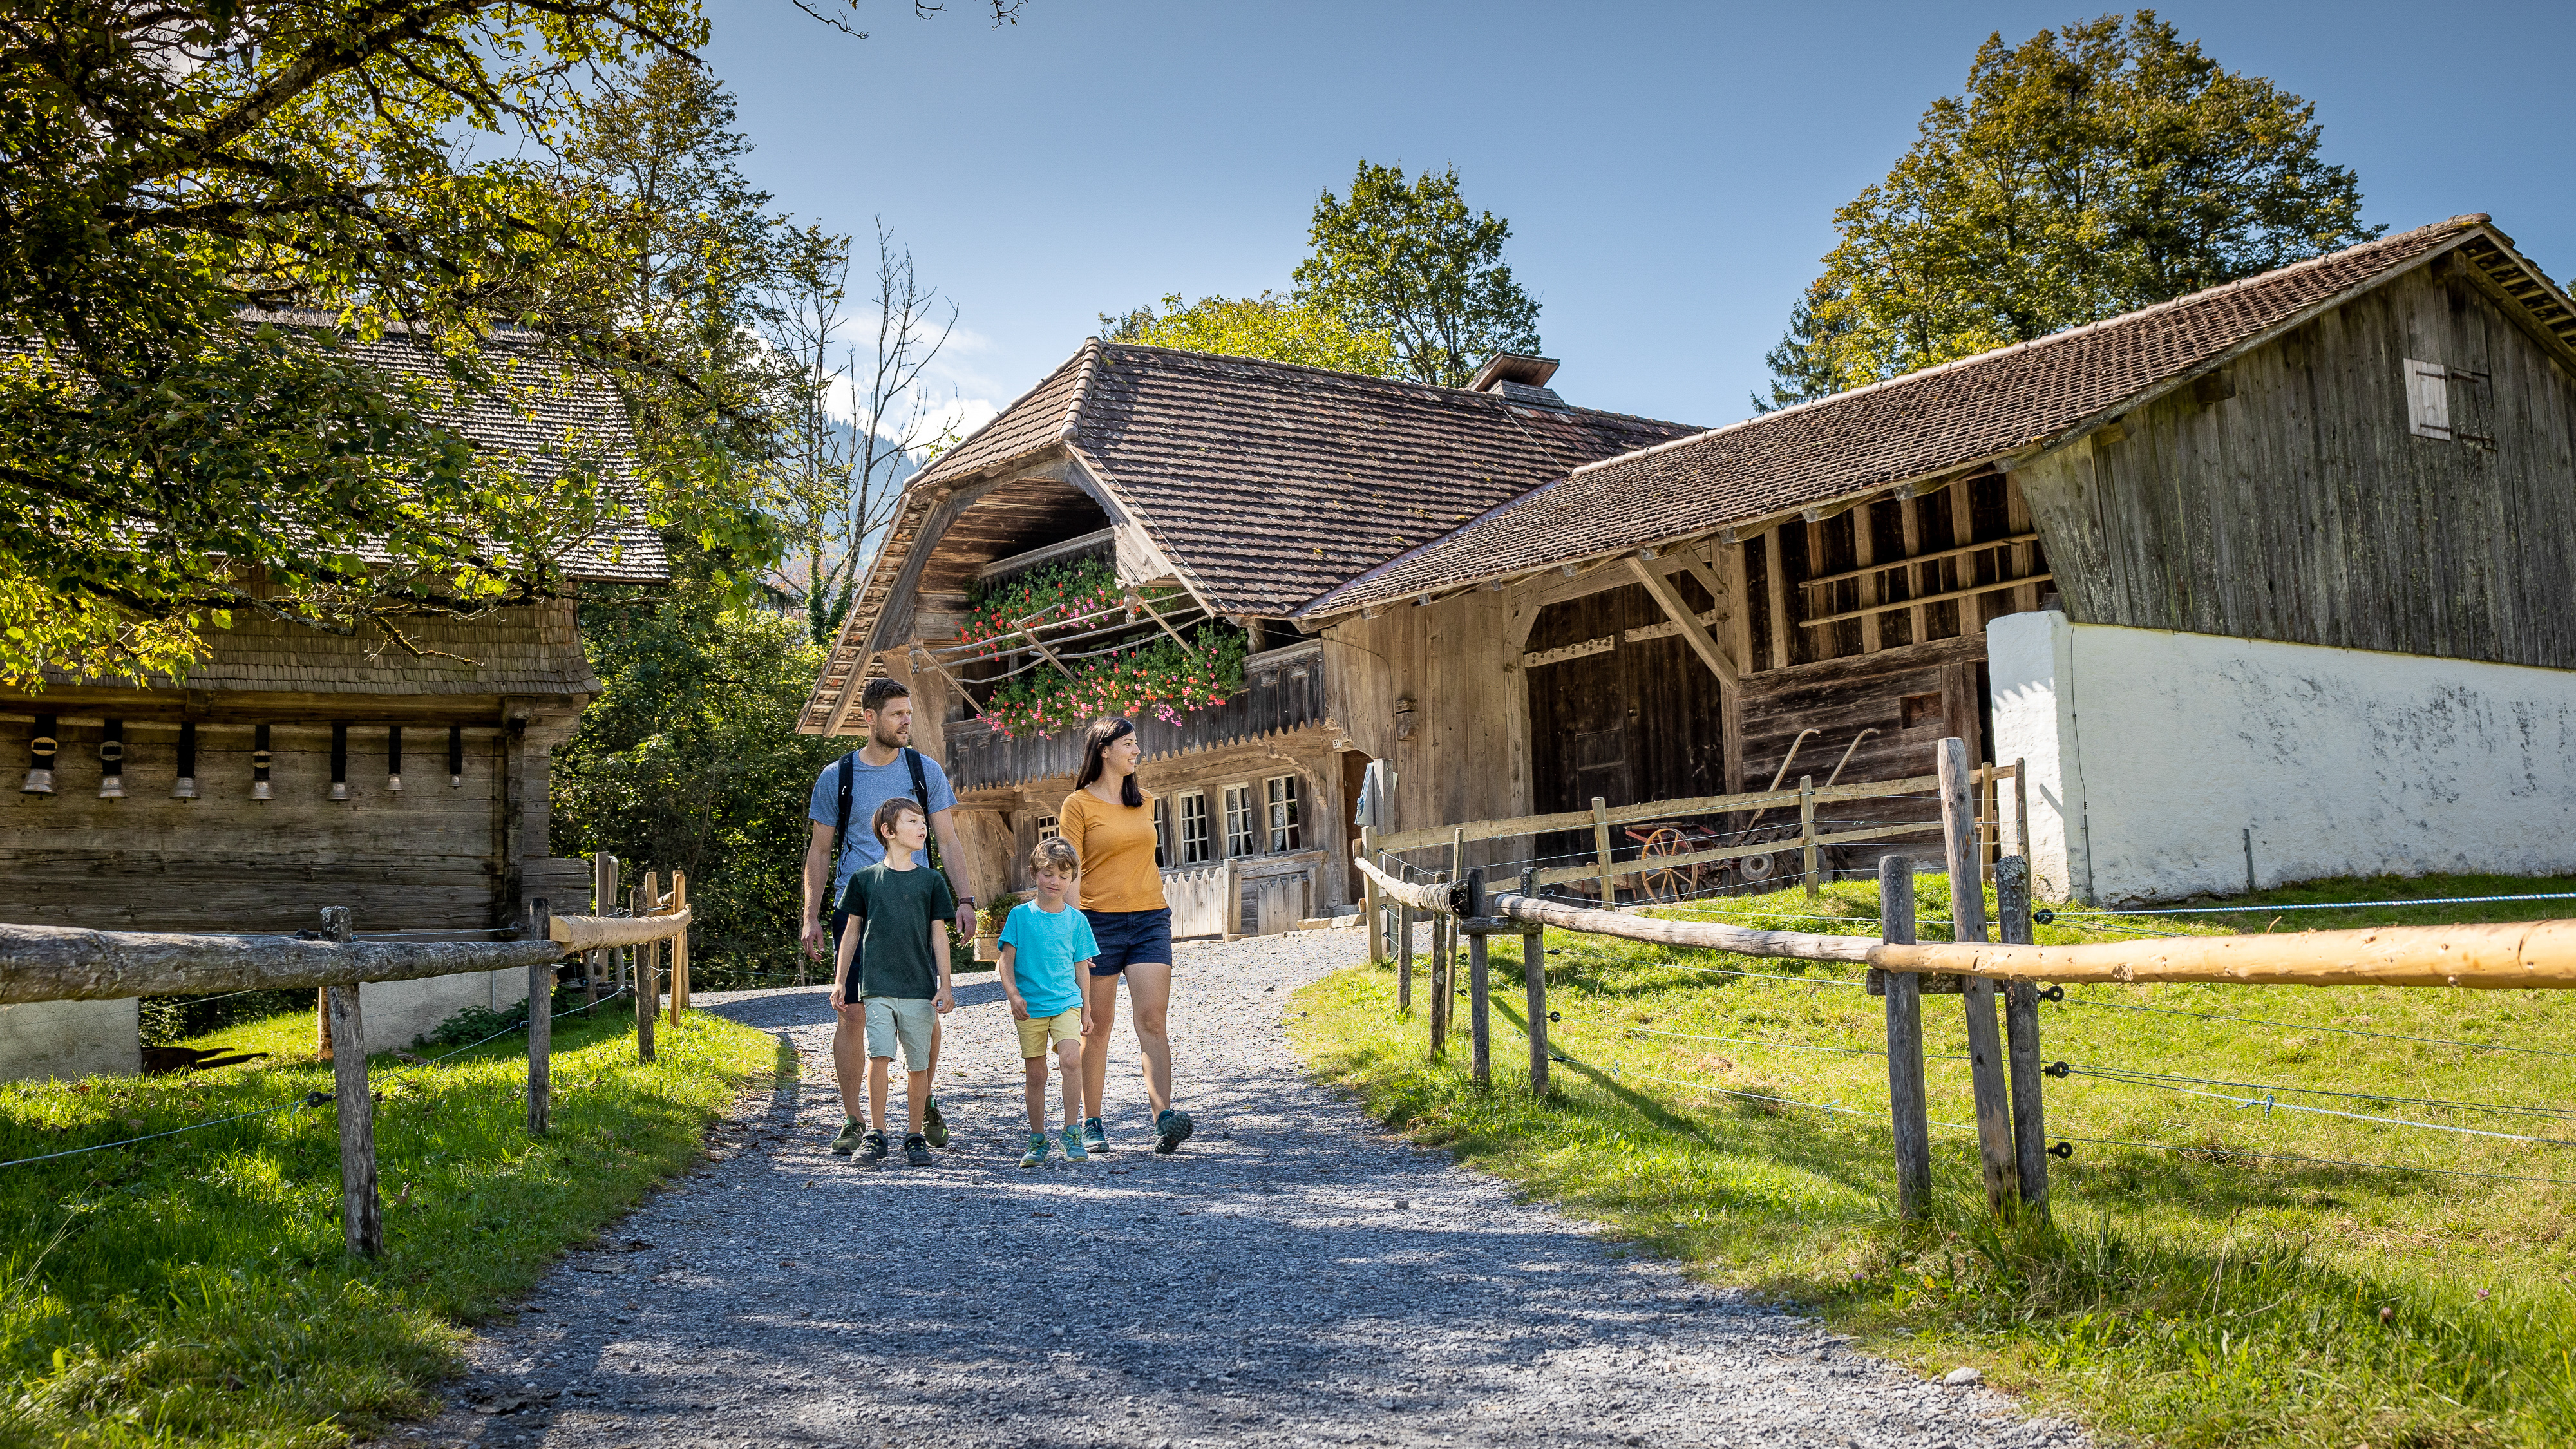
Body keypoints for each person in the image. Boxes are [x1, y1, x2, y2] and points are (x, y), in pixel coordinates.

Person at [800, 676, 978, 1157]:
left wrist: (964, 900)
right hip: (858, 906)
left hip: (916, 906)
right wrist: (811, 916)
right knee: (852, 1012)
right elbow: (820, 851)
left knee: (922, 1008)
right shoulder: (837, 777)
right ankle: (854, 1120)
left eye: (909, 713)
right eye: (897, 714)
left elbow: (948, 841)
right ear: (870, 718)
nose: (906, 721)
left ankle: (924, 1101)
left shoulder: (924, 770)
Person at [1059, 715, 1194, 1155]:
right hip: (1098, 924)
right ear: (1104, 750)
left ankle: (1164, 1120)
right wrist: (1073, 932)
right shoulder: (1078, 805)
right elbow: (1070, 870)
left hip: (1150, 918)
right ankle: (1092, 1121)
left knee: (1153, 1020)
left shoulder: (1146, 801)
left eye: (1137, 744)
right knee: (1097, 1026)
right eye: (1129, 744)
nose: (1137, 751)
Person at [832, 796, 956, 1168]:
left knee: (918, 1065)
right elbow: (851, 934)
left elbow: (939, 937)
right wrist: (840, 982)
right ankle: (876, 1133)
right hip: (876, 988)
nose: (923, 827)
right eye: (912, 821)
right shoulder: (864, 879)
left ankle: (915, 1135)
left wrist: (946, 985)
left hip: (919, 989)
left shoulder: (932, 881)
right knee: (879, 1056)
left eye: (923, 821)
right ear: (888, 832)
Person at [998, 837, 1099, 1166]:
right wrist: (1013, 995)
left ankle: (1072, 1132)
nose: (1055, 881)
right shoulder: (1019, 916)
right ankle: (1038, 1138)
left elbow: (1081, 966)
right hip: (1030, 1008)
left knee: (1071, 1060)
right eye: (1048, 874)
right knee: (1037, 1074)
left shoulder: (1077, 921)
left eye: (1063, 876)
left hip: (1067, 1002)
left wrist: (1086, 1008)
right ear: (1034, 874)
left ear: (1072, 879)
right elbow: (1005, 960)